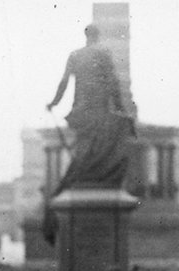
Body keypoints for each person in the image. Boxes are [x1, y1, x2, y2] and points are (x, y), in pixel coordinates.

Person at [45, 23, 135, 193]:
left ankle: (83, 179)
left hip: (80, 110)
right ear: (97, 36)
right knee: (100, 146)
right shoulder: (103, 54)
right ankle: (92, 179)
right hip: (99, 109)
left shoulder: (75, 55)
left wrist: (54, 103)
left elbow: (64, 82)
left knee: (84, 146)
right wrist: (120, 108)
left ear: (85, 36)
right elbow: (113, 83)